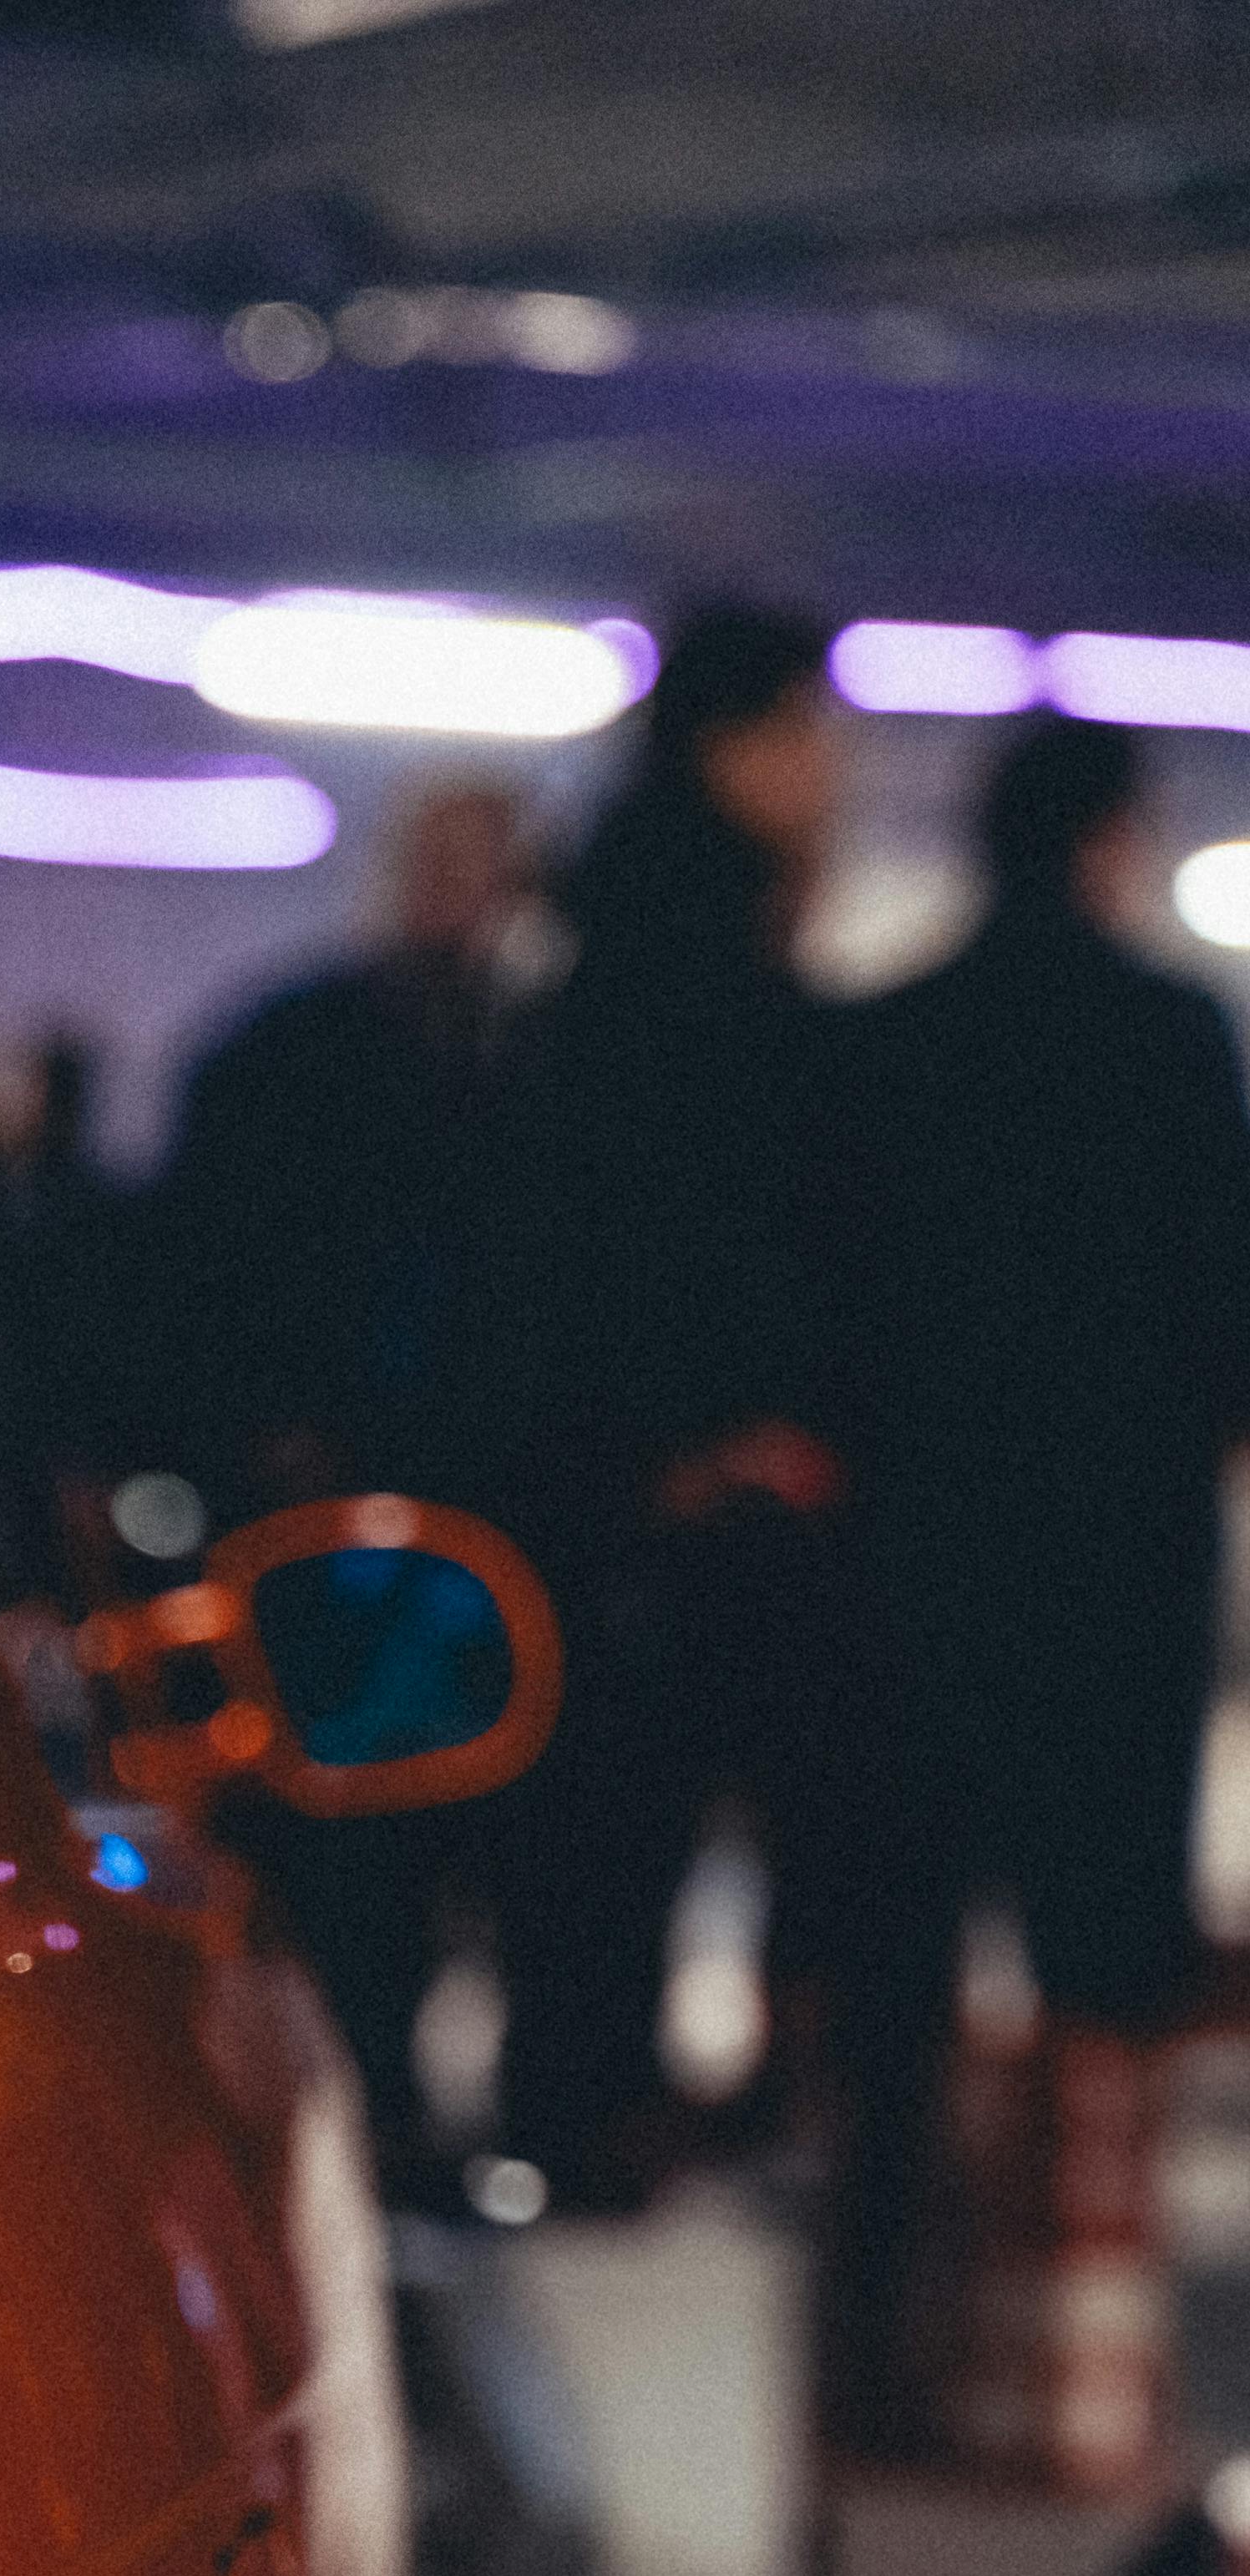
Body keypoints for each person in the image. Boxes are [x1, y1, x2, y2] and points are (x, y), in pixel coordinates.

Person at [473, 609, 949, 2386]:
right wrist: (732, 1437)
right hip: (697, 1516)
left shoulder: (590, 964)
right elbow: (716, 1242)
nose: (830, 781)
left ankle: (568, 2297)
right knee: (814, 1884)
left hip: (592, 1514)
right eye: (810, 741)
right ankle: (806, 2310)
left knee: (585, 1905)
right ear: (737, 751)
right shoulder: (723, 988)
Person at [147, 782, 539, 2186]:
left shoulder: (505, 1051)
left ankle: (369, 2104)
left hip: (437, 1519)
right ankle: (342, 2100)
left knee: (420, 1817)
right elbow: (197, 1267)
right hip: (326, 1524)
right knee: (338, 1824)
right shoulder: (316, 1047)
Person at [844, 715, 1250, 2067]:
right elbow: (1221, 1273)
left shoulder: (896, 1034)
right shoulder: (1172, 1034)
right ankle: (1087, 2234)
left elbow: (847, 1294)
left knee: (909, 1897)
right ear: (1110, 839)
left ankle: (898, 2229)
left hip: (924, 1528)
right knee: (1109, 1910)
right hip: (1122, 1538)